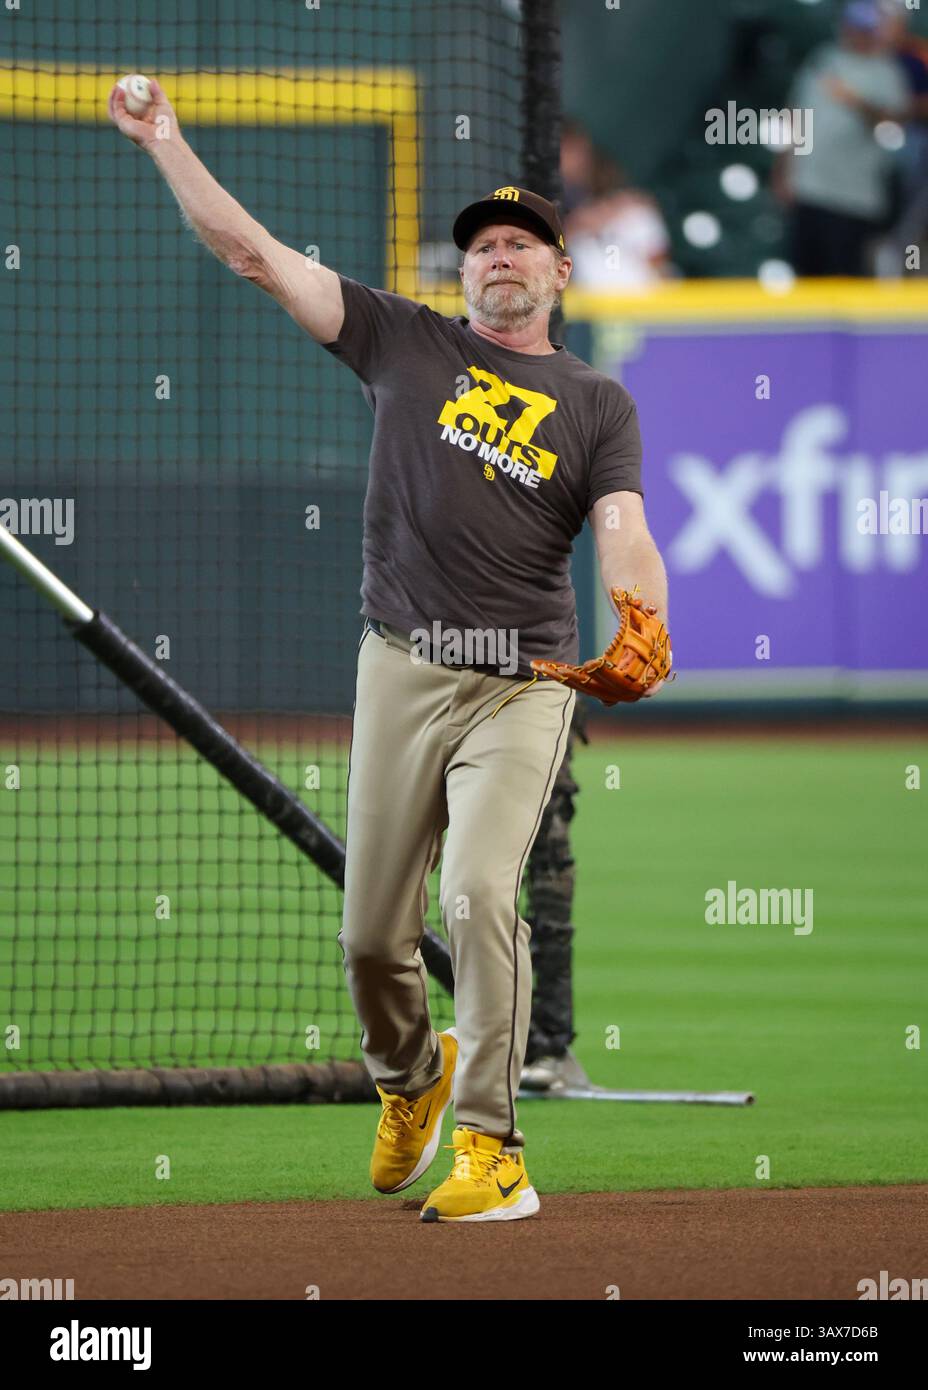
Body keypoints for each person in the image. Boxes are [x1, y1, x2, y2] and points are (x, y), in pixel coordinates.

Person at [109, 80, 669, 1223]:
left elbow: (626, 530)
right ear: (462, 271)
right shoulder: (398, 340)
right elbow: (258, 255)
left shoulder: (595, 402)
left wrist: (639, 615)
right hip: (401, 664)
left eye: (522, 242)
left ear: (560, 272)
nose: (498, 256)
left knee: (475, 894)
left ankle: (493, 1149)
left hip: (522, 682)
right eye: (482, 246)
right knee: (371, 938)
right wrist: (167, 141)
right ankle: (409, 1079)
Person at [774, 0, 910, 276]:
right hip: (809, 189)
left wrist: (856, 102)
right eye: (851, 25)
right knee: (804, 275)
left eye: (863, 28)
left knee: (844, 279)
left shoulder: (887, 73)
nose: (854, 32)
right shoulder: (823, 59)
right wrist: (783, 171)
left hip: (853, 199)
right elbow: (796, 117)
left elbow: (893, 121)